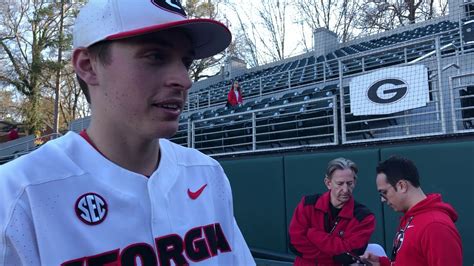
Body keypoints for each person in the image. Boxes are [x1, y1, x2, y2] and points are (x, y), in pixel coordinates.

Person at [0, 1, 255, 265]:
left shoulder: (207, 172)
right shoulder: (18, 193)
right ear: (88, 66)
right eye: (156, 56)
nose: (184, 79)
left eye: (186, 61)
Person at [362, 156, 463, 266]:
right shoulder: (412, 217)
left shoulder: (435, 226)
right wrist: (382, 263)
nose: (382, 199)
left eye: (384, 192)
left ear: (402, 186)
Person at [289, 158, 376, 266]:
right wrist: (332, 257)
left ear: (355, 182)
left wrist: (313, 234)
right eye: (340, 184)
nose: (345, 189)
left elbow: (347, 256)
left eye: (349, 183)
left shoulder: (364, 217)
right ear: (328, 183)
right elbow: (294, 243)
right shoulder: (308, 204)